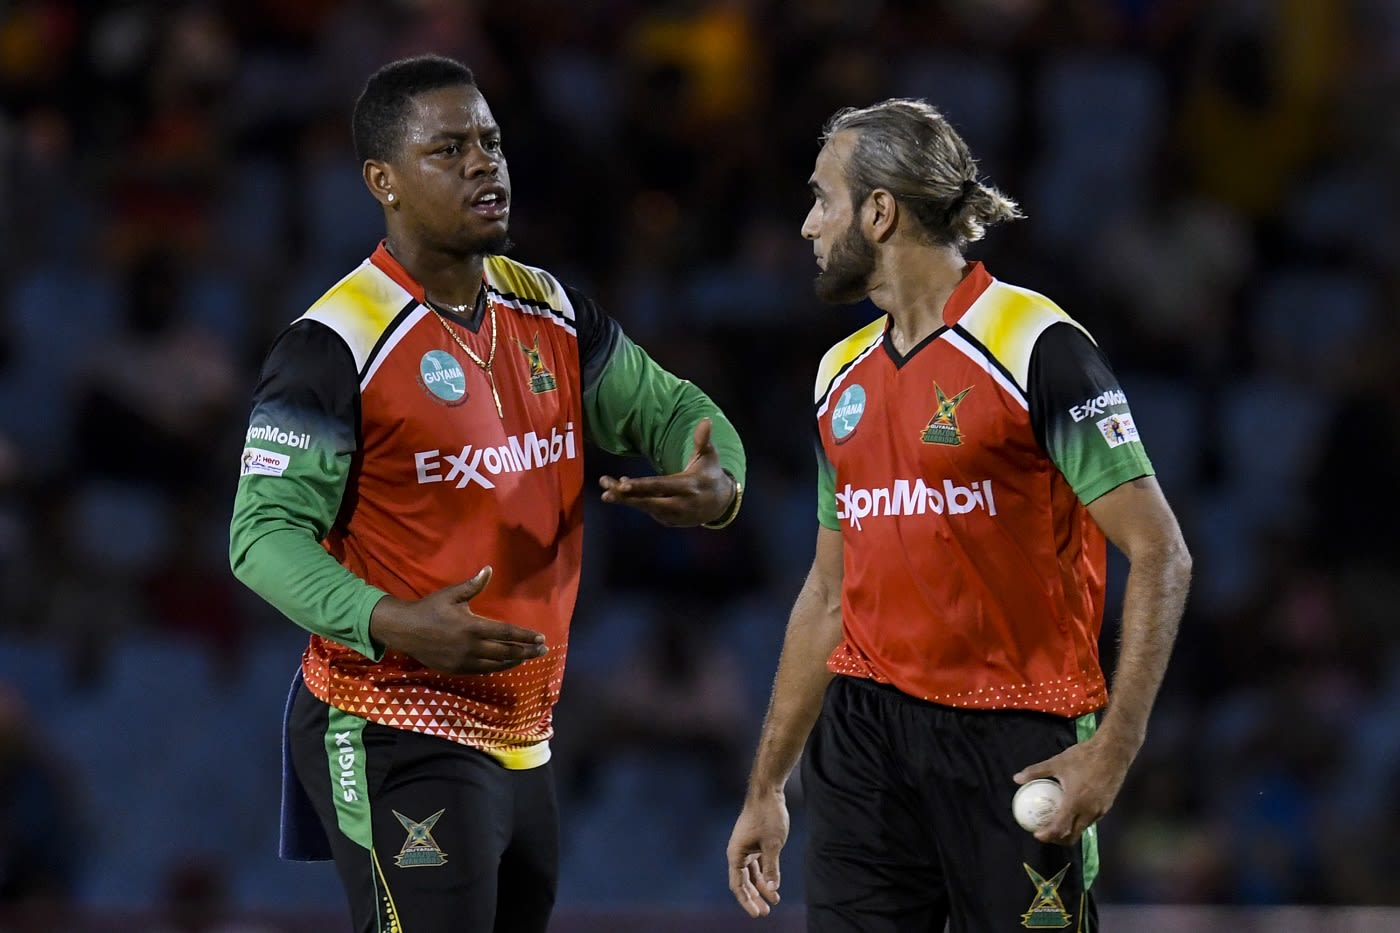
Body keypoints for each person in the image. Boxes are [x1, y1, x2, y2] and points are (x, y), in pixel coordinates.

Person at [228, 54, 745, 933]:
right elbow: (261, 536)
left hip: (525, 729)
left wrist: (715, 477)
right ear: (382, 182)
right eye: (450, 149)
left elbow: (677, 411)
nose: (484, 164)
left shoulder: (550, 309)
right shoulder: (334, 344)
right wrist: (393, 620)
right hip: (391, 715)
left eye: (492, 143)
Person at [725, 99, 1191, 932]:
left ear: (879, 211)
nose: (806, 226)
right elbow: (830, 594)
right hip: (865, 737)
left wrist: (1113, 751)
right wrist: (766, 785)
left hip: (1017, 737)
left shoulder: (1035, 343)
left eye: (821, 199)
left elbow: (1161, 553)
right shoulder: (839, 375)